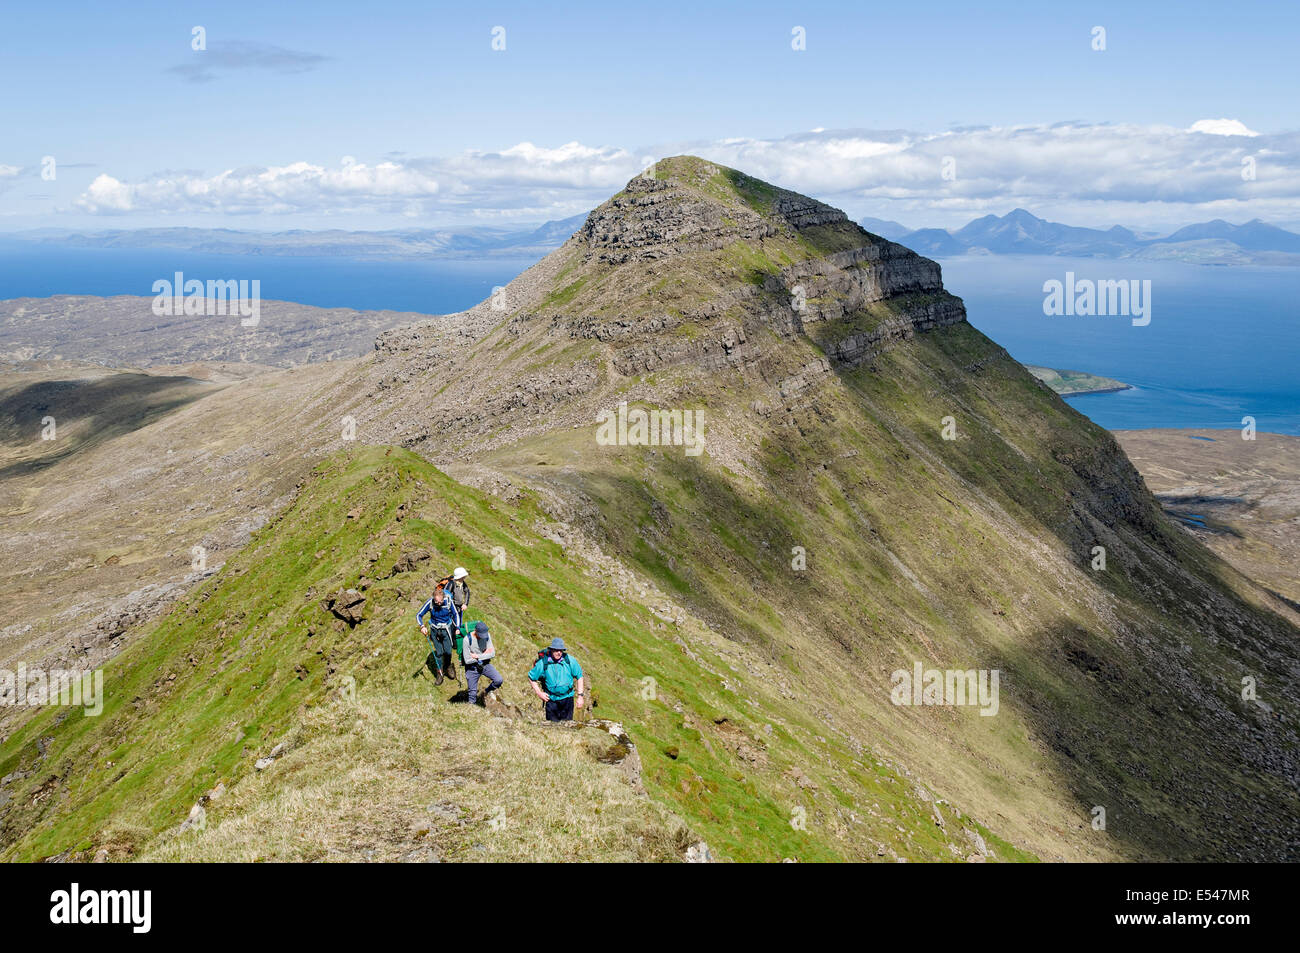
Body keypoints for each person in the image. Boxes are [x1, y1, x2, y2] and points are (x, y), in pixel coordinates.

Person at [528, 638, 585, 722]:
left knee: (567, 726)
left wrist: (580, 696)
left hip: (567, 700)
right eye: (556, 650)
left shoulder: (569, 660)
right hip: (551, 700)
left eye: (561, 650)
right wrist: (539, 693)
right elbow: (531, 677)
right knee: (553, 728)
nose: (559, 653)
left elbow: (579, 676)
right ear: (551, 650)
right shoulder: (544, 662)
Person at [415, 586, 458, 684]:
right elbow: (419, 615)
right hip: (435, 631)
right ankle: (439, 673)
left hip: (446, 630)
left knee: (448, 652)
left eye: (440, 602)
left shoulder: (448, 602)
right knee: (439, 653)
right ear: (434, 598)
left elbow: (455, 614)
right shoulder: (430, 603)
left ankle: (448, 667)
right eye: (436, 602)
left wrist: (458, 627)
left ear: (443, 598)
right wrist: (422, 626)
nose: (438, 604)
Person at [462, 621, 503, 705]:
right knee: (472, 696)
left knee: (498, 680)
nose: (483, 637)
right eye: (481, 635)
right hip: (472, 668)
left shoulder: (487, 635)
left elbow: (492, 653)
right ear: (476, 631)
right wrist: (485, 654)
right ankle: (471, 711)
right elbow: (467, 660)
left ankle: (486, 691)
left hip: (485, 664)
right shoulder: (467, 640)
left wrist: (478, 656)